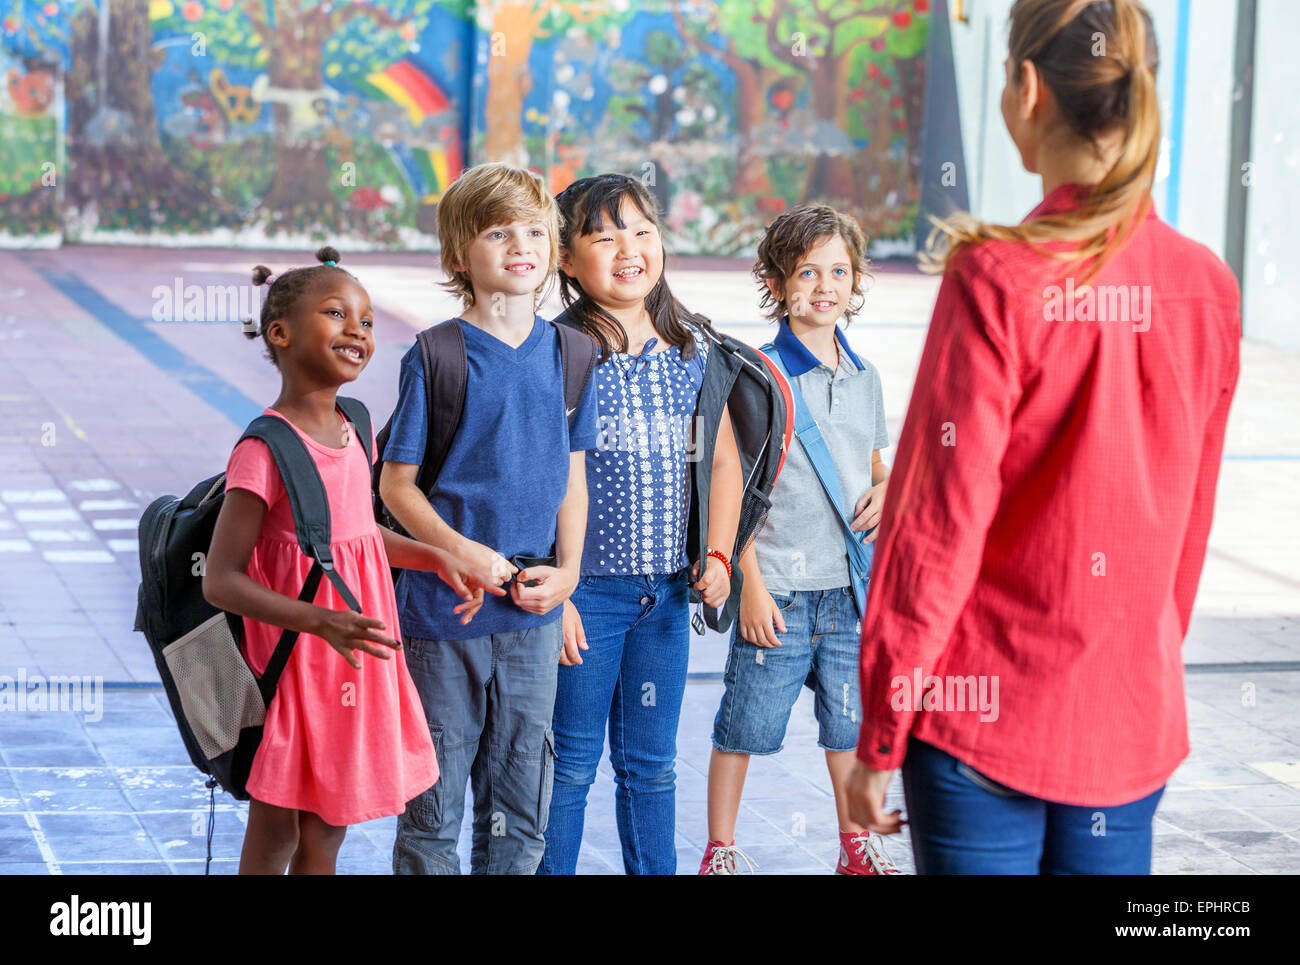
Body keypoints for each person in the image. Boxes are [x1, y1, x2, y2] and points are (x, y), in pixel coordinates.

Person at [846, 0, 1241, 875]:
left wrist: (883, 723)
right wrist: (1139, 674)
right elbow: (1189, 521)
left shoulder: (996, 276)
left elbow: (935, 532)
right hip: (1129, 718)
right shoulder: (1206, 286)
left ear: (1026, 88)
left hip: (979, 715)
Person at [203, 246, 499, 875]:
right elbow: (222, 581)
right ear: (279, 332)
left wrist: (434, 557)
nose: (357, 330)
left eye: (365, 320)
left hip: (353, 656)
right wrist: (318, 621)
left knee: (321, 828)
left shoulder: (355, 423)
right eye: (336, 314)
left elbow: (355, 535)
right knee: (284, 825)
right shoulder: (265, 448)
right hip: (296, 666)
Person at [380, 163, 599, 875]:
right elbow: (397, 486)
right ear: (458, 256)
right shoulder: (438, 354)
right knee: (434, 808)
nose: (520, 244)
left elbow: (571, 475)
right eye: (497, 231)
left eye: (535, 230)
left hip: (531, 615)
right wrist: (460, 552)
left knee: (520, 805)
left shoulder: (571, 352)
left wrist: (567, 573)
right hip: (445, 616)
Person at [538, 173, 742, 875]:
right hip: (585, 594)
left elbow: (721, 463)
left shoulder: (693, 346)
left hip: (667, 594)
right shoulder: (557, 350)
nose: (629, 248)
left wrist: (717, 554)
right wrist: (558, 588)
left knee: (652, 766)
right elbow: (538, 478)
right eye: (605, 235)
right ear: (567, 258)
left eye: (642, 231)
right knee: (567, 766)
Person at [702, 204, 899, 875]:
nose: (825, 285)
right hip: (778, 588)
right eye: (808, 271)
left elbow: (873, 466)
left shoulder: (864, 376)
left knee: (849, 729)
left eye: (839, 270)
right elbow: (740, 492)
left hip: (847, 589)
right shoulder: (758, 375)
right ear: (778, 281)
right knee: (744, 727)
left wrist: (886, 487)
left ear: (856, 280)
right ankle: (721, 847)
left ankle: (855, 846)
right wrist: (750, 585)